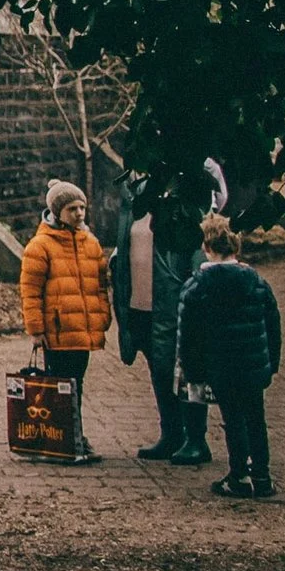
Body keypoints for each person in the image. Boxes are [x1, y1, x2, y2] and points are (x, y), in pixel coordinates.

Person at [109, 172, 215, 466]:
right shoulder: (133, 207)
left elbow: (196, 252)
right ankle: (171, 434)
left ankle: (196, 438)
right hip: (140, 304)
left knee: (188, 369)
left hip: (172, 302)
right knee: (159, 370)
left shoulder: (181, 204)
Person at [178, 214, 282, 498]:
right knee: (256, 418)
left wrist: (192, 372)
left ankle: (239, 474)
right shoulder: (257, 281)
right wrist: (271, 361)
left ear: (205, 246)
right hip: (253, 365)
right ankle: (262, 474)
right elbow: (273, 324)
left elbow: (188, 336)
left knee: (233, 419)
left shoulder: (197, 286)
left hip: (221, 366)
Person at [20, 178, 111, 463]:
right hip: (58, 331)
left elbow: (99, 285)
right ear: (57, 211)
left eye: (82, 207)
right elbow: (31, 291)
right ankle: (62, 439)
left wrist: (102, 316)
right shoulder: (40, 246)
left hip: (81, 331)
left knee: (76, 384)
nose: (80, 213)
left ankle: (73, 436)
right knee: (60, 386)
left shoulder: (90, 242)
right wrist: (36, 329)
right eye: (72, 208)